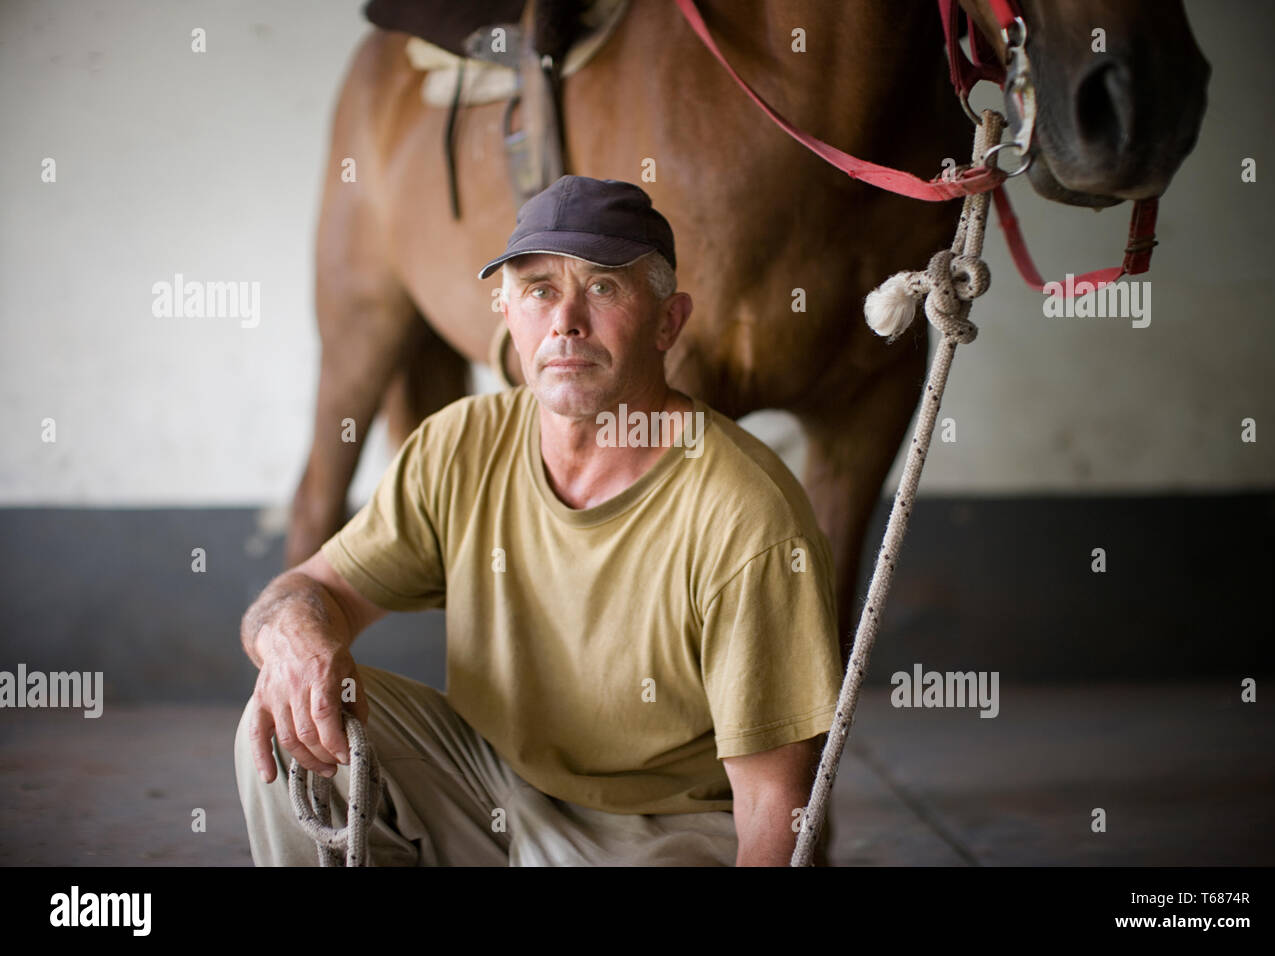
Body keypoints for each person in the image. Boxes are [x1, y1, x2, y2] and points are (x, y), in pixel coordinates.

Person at [234, 175, 843, 866]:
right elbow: (309, 592)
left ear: (669, 320)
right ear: (509, 314)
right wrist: (295, 640)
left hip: (654, 831)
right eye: (539, 289)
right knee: (285, 719)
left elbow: (776, 805)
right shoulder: (459, 442)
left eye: (604, 287)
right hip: (486, 785)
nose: (566, 321)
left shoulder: (746, 512)